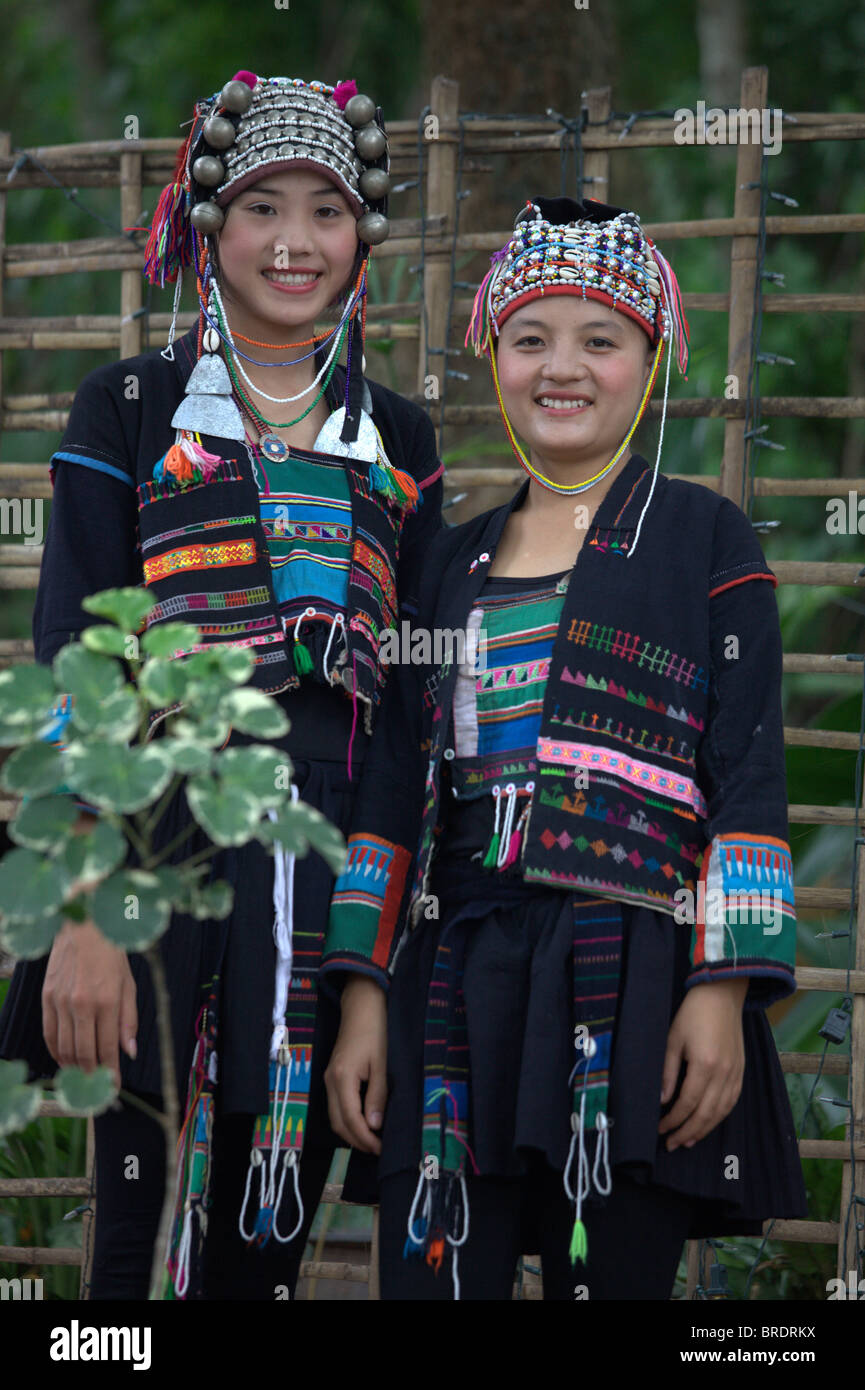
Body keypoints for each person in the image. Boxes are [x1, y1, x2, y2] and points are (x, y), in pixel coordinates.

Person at [0, 70, 443, 1300]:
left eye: (327, 210)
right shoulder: (131, 408)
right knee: (129, 1251)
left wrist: (363, 976)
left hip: (319, 862)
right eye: (262, 207)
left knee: (263, 1250)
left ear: (364, 237)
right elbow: (75, 664)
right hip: (150, 851)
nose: (295, 242)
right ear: (208, 225)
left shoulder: (399, 441)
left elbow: (400, 725)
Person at [320, 195, 807, 1300]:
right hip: (452, 983)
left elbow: (747, 772)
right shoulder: (444, 561)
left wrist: (722, 988)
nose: (563, 366)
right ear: (494, 354)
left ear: (653, 359)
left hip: (632, 977)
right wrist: (359, 995)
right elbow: (392, 783)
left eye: (601, 339)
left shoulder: (703, 539)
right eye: (531, 337)